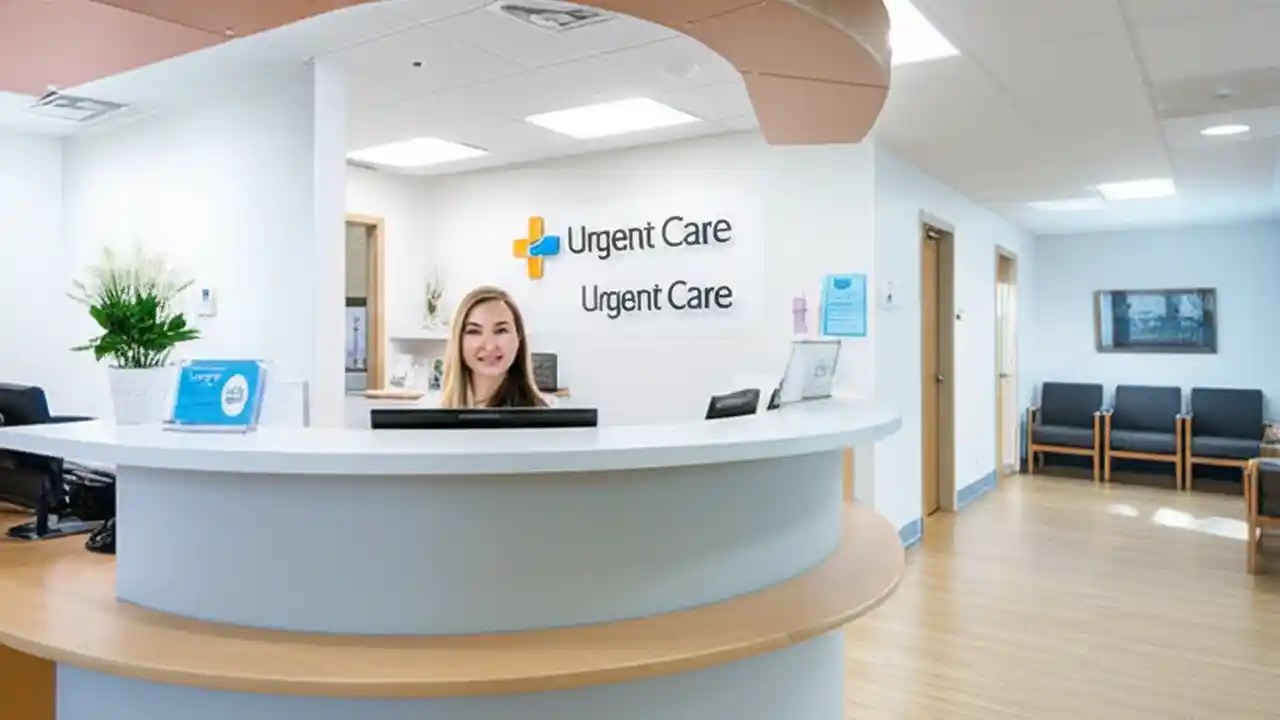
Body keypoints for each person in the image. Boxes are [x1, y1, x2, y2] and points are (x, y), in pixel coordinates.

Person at [440, 285, 551, 409]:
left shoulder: (540, 418)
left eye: (501, 330)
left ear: (518, 337)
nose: (489, 346)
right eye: (474, 331)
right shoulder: (433, 414)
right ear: (458, 341)